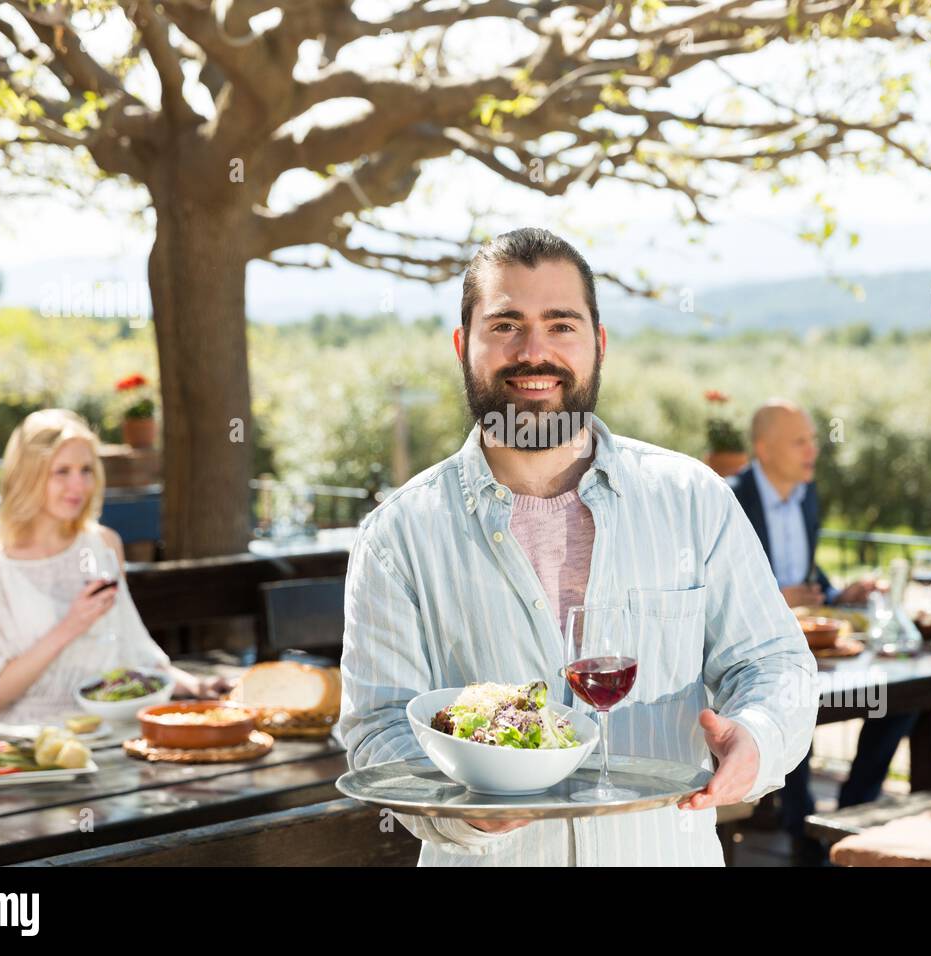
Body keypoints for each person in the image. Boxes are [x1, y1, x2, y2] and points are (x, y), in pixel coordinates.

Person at [338, 227, 818, 866]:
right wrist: (465, 811)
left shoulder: (692, 499)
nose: (534, 352)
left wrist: (757, 737)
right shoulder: (397, 537)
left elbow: (774, 662)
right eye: (506, 324)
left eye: (561, 324)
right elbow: (378, 726)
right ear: (463, 345)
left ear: (598, 344)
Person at [0, 409, 229, 735]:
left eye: (86, 470)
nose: (78, 485)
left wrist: (195, 686)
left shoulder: (104, 545)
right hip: (33, 750)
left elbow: (130, 649)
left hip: (112, 735)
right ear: (28, 475)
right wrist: (70, 625)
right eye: (61, 471)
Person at [727, 399, 915, 865]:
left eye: (813, 439)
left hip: (817, 645)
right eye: (800, 441)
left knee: (898, 701)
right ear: (763, 448)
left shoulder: (807, 495)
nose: (813, 450)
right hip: (754, 656)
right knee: (794, 705)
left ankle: (852, 810)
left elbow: (807, 576)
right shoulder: (728, 497)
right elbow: (721, 586)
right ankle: (803, 830)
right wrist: (777, 596)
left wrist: (841, 591)